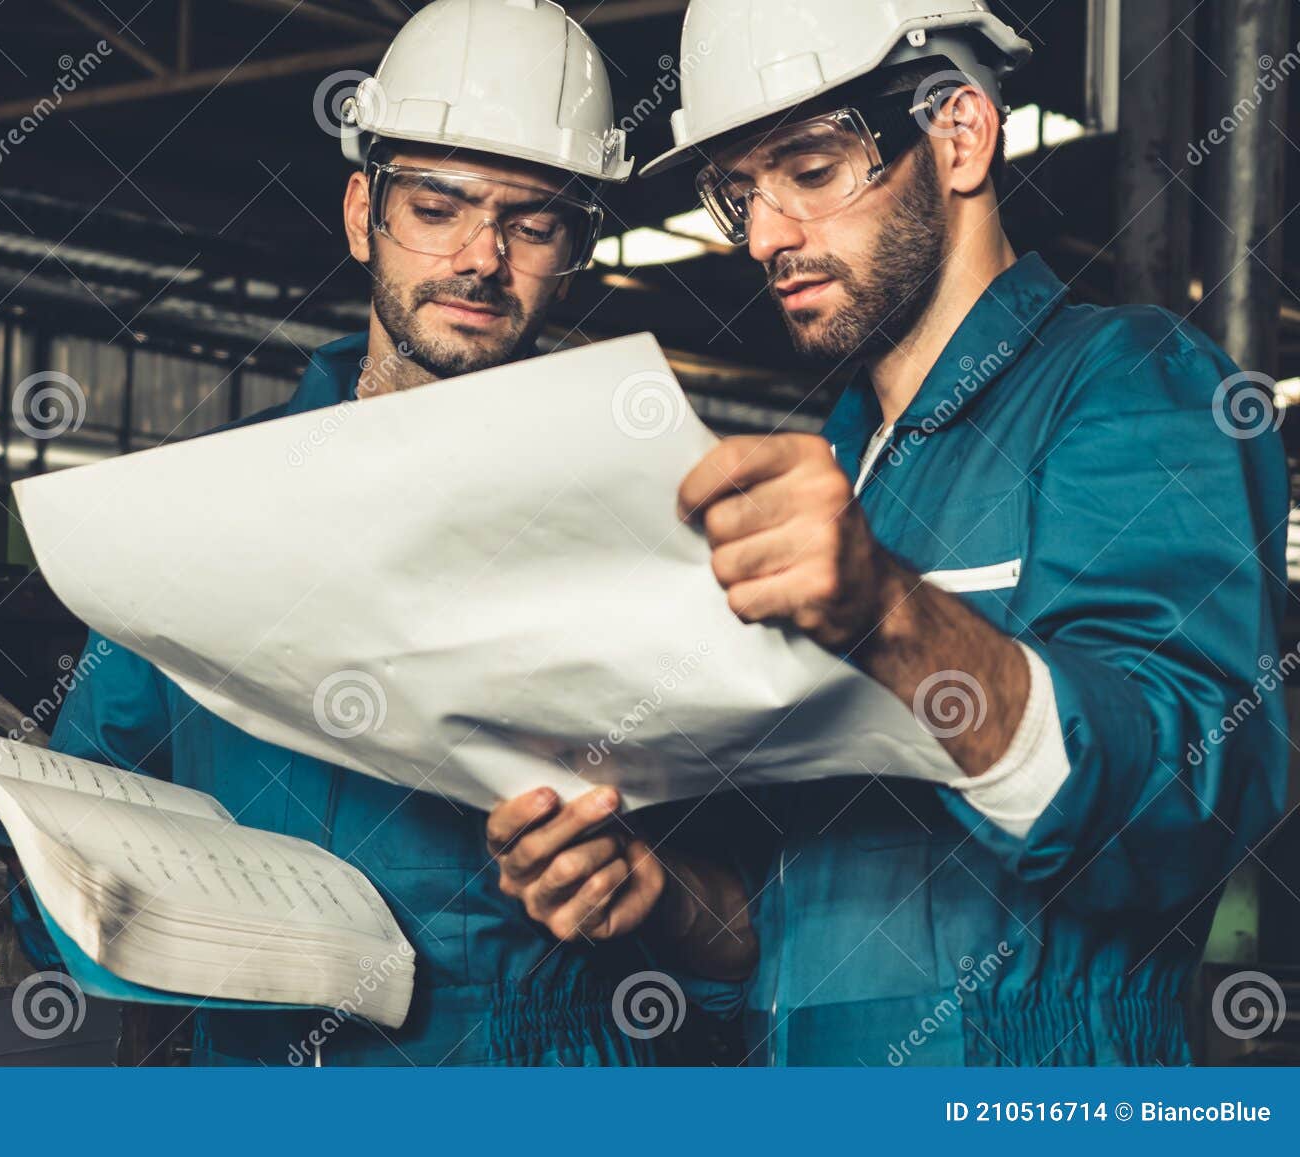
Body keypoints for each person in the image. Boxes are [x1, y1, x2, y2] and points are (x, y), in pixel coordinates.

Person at [492, 0, 1291, 1065]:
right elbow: (794, 921)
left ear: (958, 134)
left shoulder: (1131, 387)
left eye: (811, 171)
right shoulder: (841, 470)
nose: (768, 236)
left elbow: (1188, 798)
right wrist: (666, 899)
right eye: (739, 197)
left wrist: (894, 616)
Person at [39, 0, 744, 1065]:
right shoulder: (201, 511)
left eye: (533, 221)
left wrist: (647, 889)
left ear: (577, 249)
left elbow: (745, 925)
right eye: (438, 205)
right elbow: (82, 806)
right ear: (364, 210)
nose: (481, 258)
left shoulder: (644, 531)